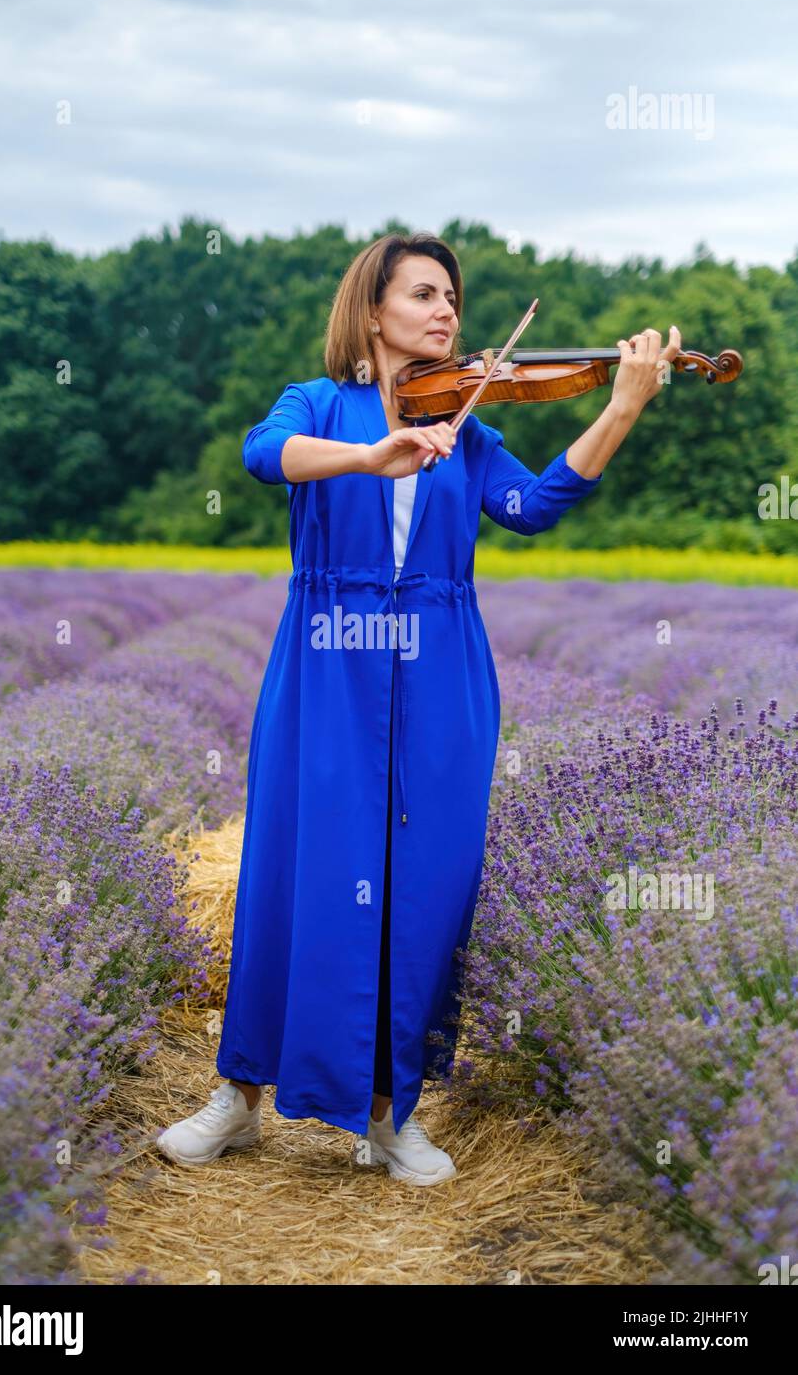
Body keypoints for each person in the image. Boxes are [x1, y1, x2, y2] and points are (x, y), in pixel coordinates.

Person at [157, 231, 681, 1185]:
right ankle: (238, 1097)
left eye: (453, 298)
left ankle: (393, 1115)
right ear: (373, 311)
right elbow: (263, 455)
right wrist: (372, 456)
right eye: (425, 294)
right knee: (295, 866)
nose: (447, 312)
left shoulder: (471, 427)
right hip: (327, 660)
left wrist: (622, 409)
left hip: (441, 665)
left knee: (428, 883)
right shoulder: (320, 405)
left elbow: (531, 507)